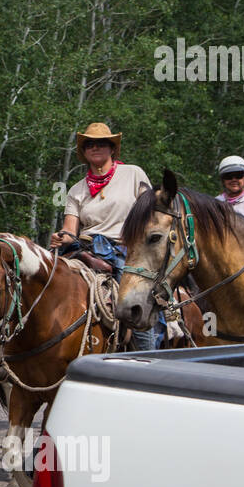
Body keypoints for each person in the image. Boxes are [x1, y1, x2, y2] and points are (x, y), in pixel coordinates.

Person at [48, 122, 161, 351]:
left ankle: (149, 357)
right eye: (89, 144)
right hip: (87, 248)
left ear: (112, 148)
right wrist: (62, 238)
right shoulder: (76, 190)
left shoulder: (133, 173)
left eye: (102, 143)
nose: (95, 147)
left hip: (127, 249)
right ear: (84, 151)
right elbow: (70, 230)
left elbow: (150, 213)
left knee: (137, 298)